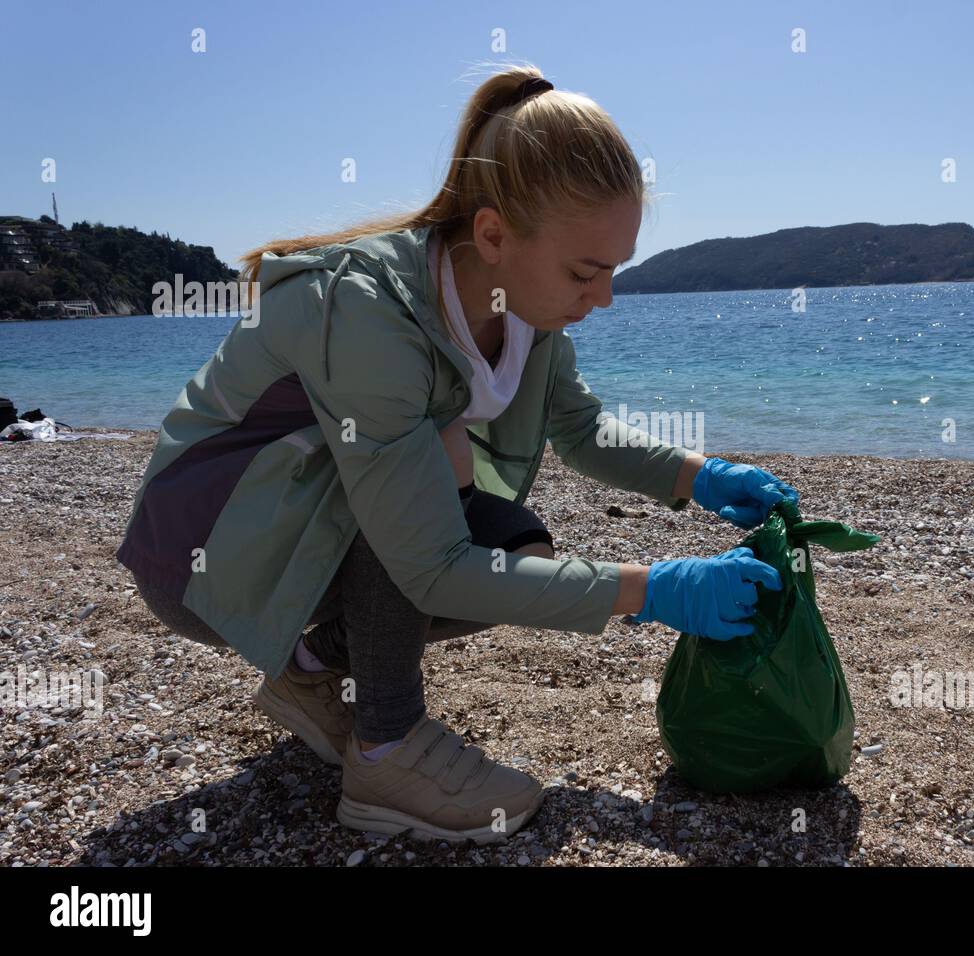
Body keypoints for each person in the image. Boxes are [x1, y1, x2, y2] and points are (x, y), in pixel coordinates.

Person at [116, 64, 800, 845]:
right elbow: (430, 564)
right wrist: (655, 590)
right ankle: (387, 752)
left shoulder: (526, 311)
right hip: (205, 550)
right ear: (494, 237)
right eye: (587, 271)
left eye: (615, 270)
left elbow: (578, 430)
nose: (604, 297)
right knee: (441, 471)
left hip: (300, 529)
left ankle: (308, 667)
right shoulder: (370, 313)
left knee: (517, 546)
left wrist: (704, 478)